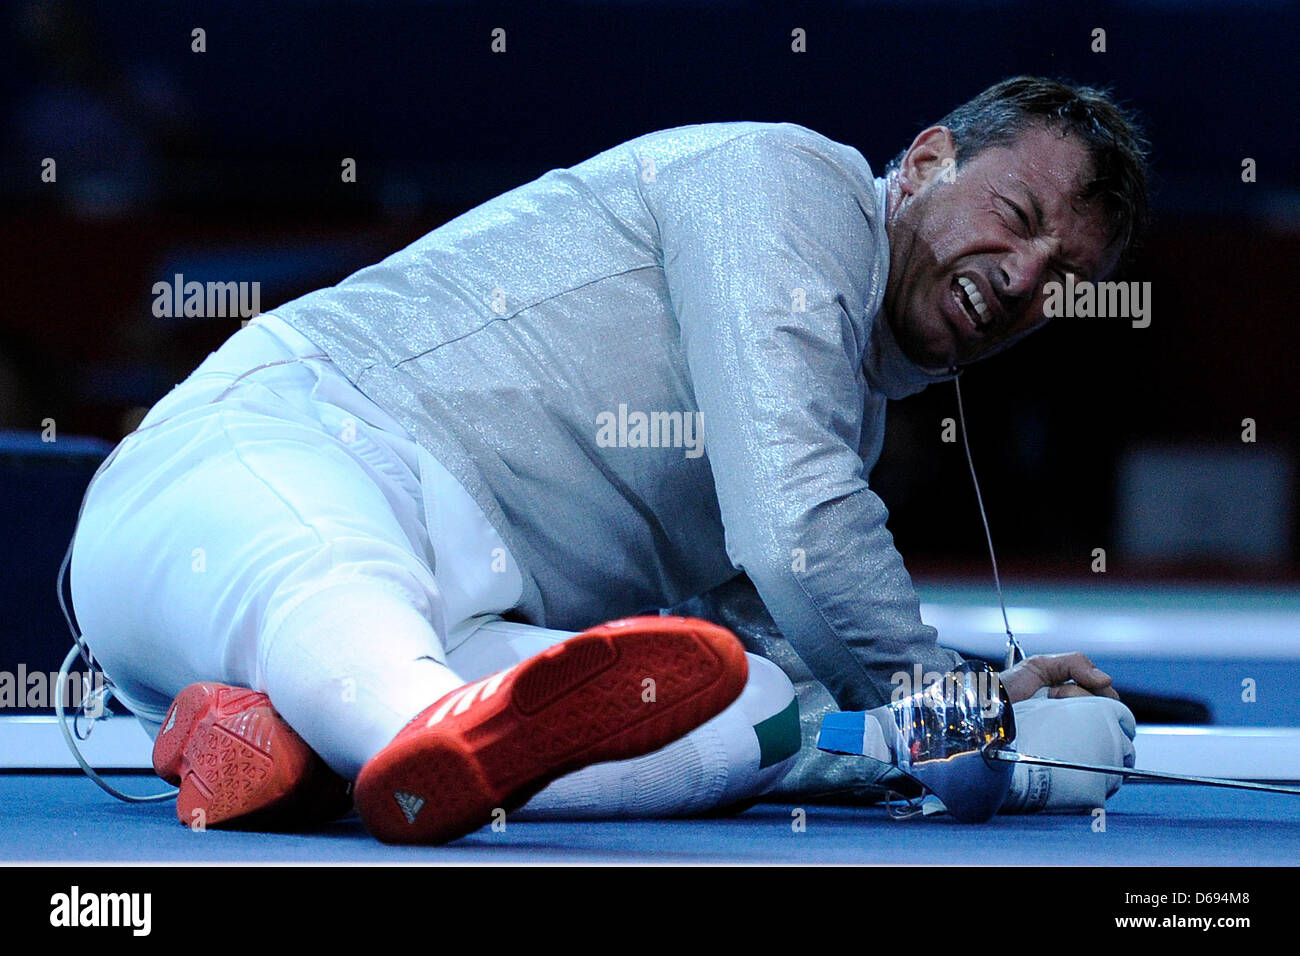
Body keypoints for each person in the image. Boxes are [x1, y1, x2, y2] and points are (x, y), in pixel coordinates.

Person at [67, 75, 1148, 843]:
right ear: (921, 164)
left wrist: (984, 697)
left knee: (747, 700)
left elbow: (757, 635)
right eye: (1016, 217)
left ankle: (312, 751)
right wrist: (954, 717)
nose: (1022, 277)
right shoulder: (781, 184)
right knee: (340, 567)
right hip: (258, 455)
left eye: (1062, 276)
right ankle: (393, 735)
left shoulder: (838, 406)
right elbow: (797, 534)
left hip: (462, 628)